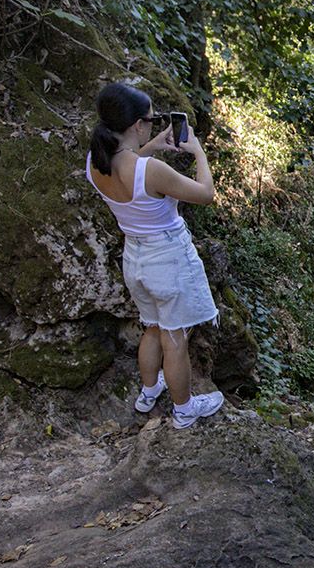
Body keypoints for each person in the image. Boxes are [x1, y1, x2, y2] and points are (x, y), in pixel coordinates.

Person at [85, 82, 223, 429]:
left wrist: (151, 145)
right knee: (175, 337)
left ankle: (149, 391)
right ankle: (184, 409)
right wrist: (199, 153)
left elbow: (129, 169)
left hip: (135, 258)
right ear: (136, 125)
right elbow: (205, 194)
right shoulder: (153, 172)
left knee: (152, 327)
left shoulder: (95, 162)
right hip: (168, 258)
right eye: (150, 119)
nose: (152, 123)